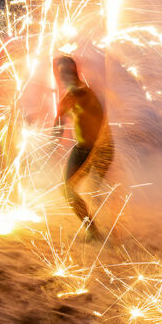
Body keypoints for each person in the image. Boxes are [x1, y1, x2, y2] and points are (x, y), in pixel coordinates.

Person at [53, 55, 112, 241]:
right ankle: (98, 229)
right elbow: (58, 125)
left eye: (66, 71)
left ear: (74, 72)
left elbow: (77, 94)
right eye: (61, 72)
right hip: (89, 148)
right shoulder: (70, 96)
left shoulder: (81, 92)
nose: (63, 76)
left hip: (94, 149)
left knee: (71, 191)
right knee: (80, 191)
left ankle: (95, 232)